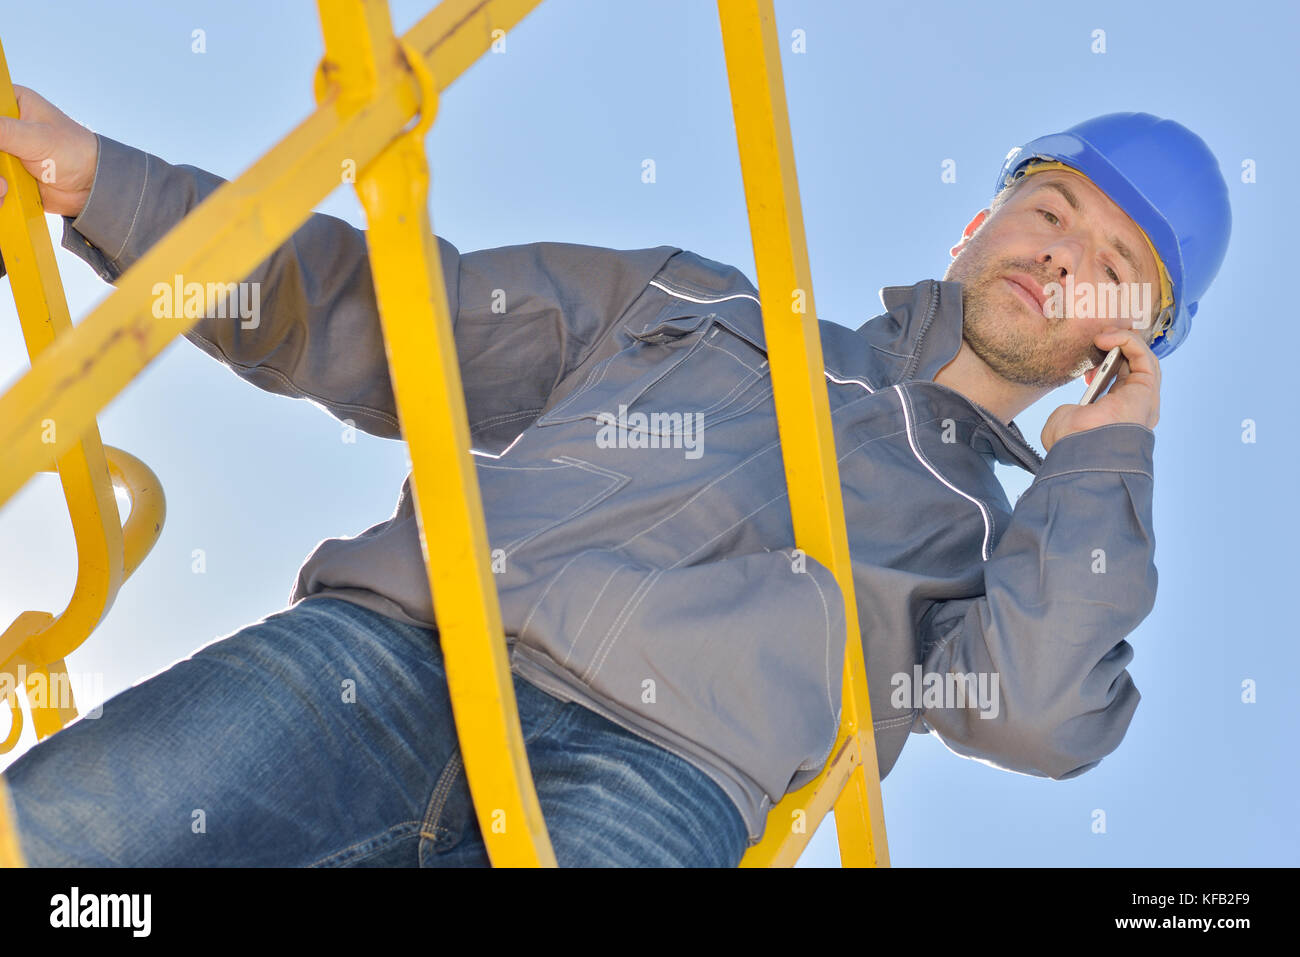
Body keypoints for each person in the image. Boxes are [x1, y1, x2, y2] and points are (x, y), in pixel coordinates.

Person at [0, 87, 1231, 867]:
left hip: (654, 786)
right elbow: (389, 314)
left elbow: (1034, 709)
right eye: (1051, 210)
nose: (1063, 256)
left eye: (1114, 264)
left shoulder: (1003, 551)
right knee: (61, 856)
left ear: (1122, 342)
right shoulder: (692, 300)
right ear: (981, 227)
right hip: (390, 659)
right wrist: (109, 183)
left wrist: (1107, 455)